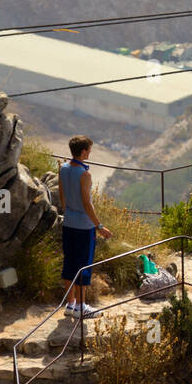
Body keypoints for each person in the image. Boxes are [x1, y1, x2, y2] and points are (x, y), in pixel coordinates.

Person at [57, 135, 111, 317]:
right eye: (89, 149)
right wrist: (99, 226)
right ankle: (81, 307)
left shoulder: (63, 169)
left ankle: (70, 304)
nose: (90, 152)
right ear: (83, 152)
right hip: (84, 226)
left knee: (69, 261)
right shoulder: (85, 174)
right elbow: (87, 204)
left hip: (69, 221)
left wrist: (68, 211)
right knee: (83, 265)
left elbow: (62, 195)